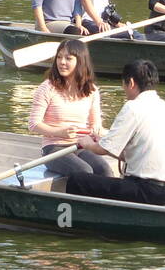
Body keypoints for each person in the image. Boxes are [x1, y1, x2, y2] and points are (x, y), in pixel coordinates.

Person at [66, 60, 165, 206]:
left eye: (123, 84)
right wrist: (101, 141)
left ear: (130, 82)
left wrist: (87, 144)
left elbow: (103, 149)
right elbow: (131, 152)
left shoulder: (133, 107)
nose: (123, 89)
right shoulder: (164, 105)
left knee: (77, 180)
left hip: (152, 191)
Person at [28, 40, 108, 179]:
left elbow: (96, 125)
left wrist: (96, 129)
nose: (62, 62)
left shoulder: (92, 90)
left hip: (81, 145)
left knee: (104, 170)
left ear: (80, 61)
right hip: (54, 148)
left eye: (68, 58)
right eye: (59, 57)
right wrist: (59, 132)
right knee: (84, 171)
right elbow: (33, 124)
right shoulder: (47, 88)